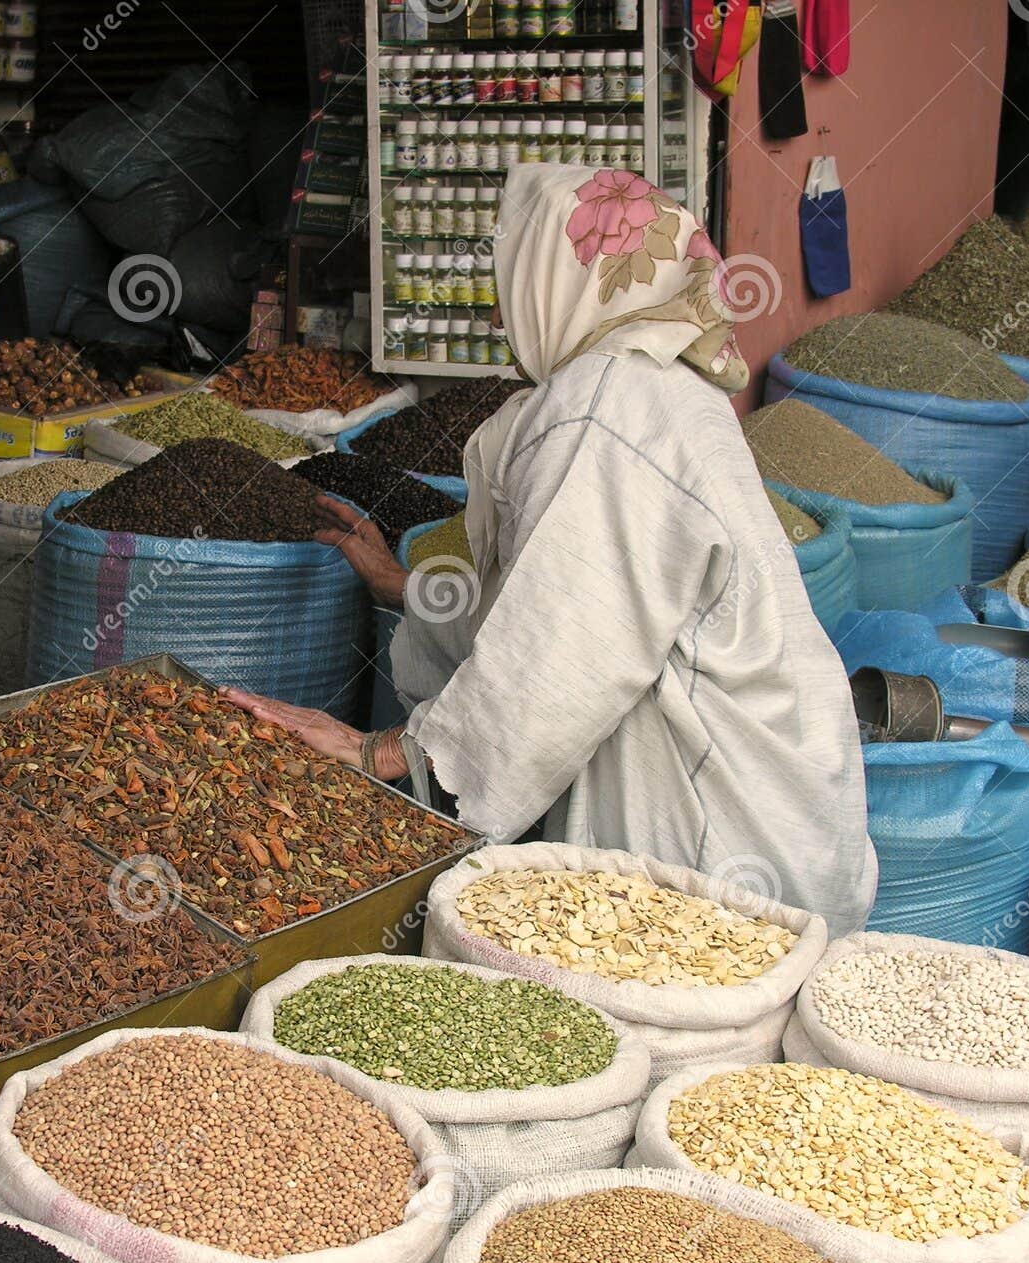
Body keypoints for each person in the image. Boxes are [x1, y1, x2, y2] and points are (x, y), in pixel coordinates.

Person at [227, 162, 876, 938]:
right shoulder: (660, 391)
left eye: (515, 270)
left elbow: (554, 665)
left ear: (554, 279)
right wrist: (406, 586)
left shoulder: (608, 407)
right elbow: (577, 602)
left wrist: (378, 754)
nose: (505, 308)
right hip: (786, 833)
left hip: (729, 859)